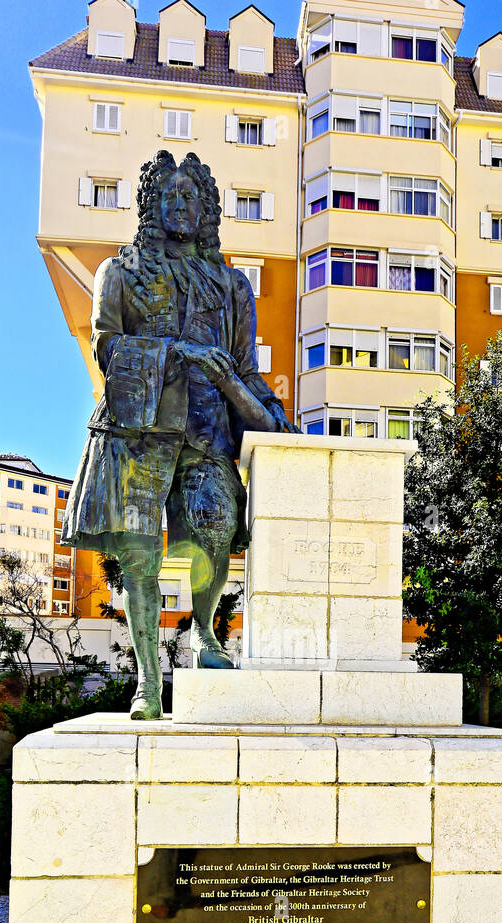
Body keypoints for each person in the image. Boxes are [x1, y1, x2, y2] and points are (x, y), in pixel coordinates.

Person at [61, 149, 295, 719]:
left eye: (190, 195)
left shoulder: (233, 286)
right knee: (139, 557)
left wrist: (266, 408)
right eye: (167, 194)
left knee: (216, 527)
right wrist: (178, 353)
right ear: (149, 203)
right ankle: (147, 685)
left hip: (206, 428)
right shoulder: (119, 272)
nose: (178, 204)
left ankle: (205, 637)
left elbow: (245, 367)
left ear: (208, 207)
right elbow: (106, 348)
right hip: (136, 430)